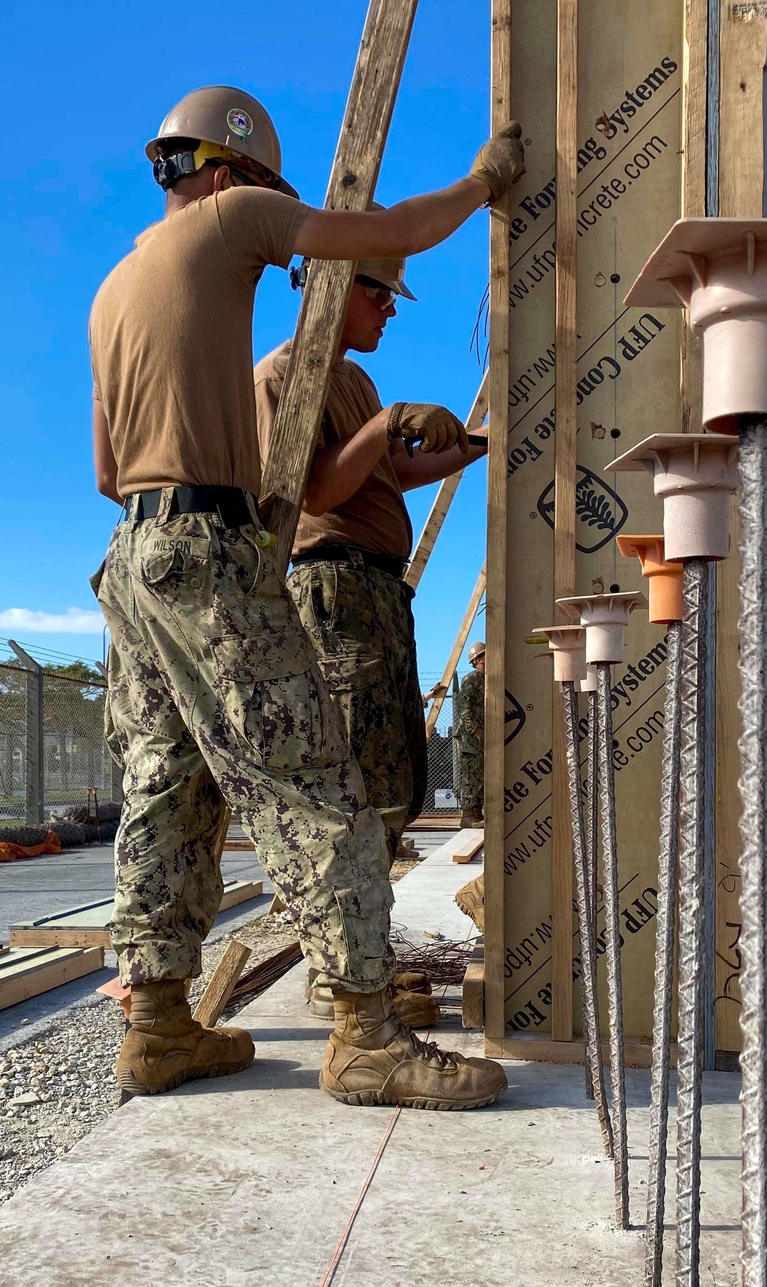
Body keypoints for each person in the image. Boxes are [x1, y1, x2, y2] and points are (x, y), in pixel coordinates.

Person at [89, 86, 523, 1109]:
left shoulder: (113, 287)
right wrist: (481, 183)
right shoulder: (235, 215)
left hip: (133, 554)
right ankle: (368, 1037)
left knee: (169, 788)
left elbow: (107, 469)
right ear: (234, 173)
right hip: (209, 550)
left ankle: (156, 1028)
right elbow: (388, 232)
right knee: (317, 789)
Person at [255, 241, 486, 1028]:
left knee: (392, 785)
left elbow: (379, 475)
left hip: (376, 588)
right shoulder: (284, 375)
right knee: (353, 788)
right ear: (335, 288)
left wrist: (469, 447)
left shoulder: (353, 378)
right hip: (333, 586)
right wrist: (388, 425)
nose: (390, 310)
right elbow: (316, 485)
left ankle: (364, 961)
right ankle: (339, 975)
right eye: (382, 296)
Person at [454, 640, 486, 828]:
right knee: (471, 775)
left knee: (480, 774)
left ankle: (476, 812)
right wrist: (475, 729)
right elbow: (463, 706)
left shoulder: (486, 679)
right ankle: (467, 815)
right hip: (470, 736)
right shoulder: (472, 679)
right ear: (478, 659)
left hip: (480, 734)